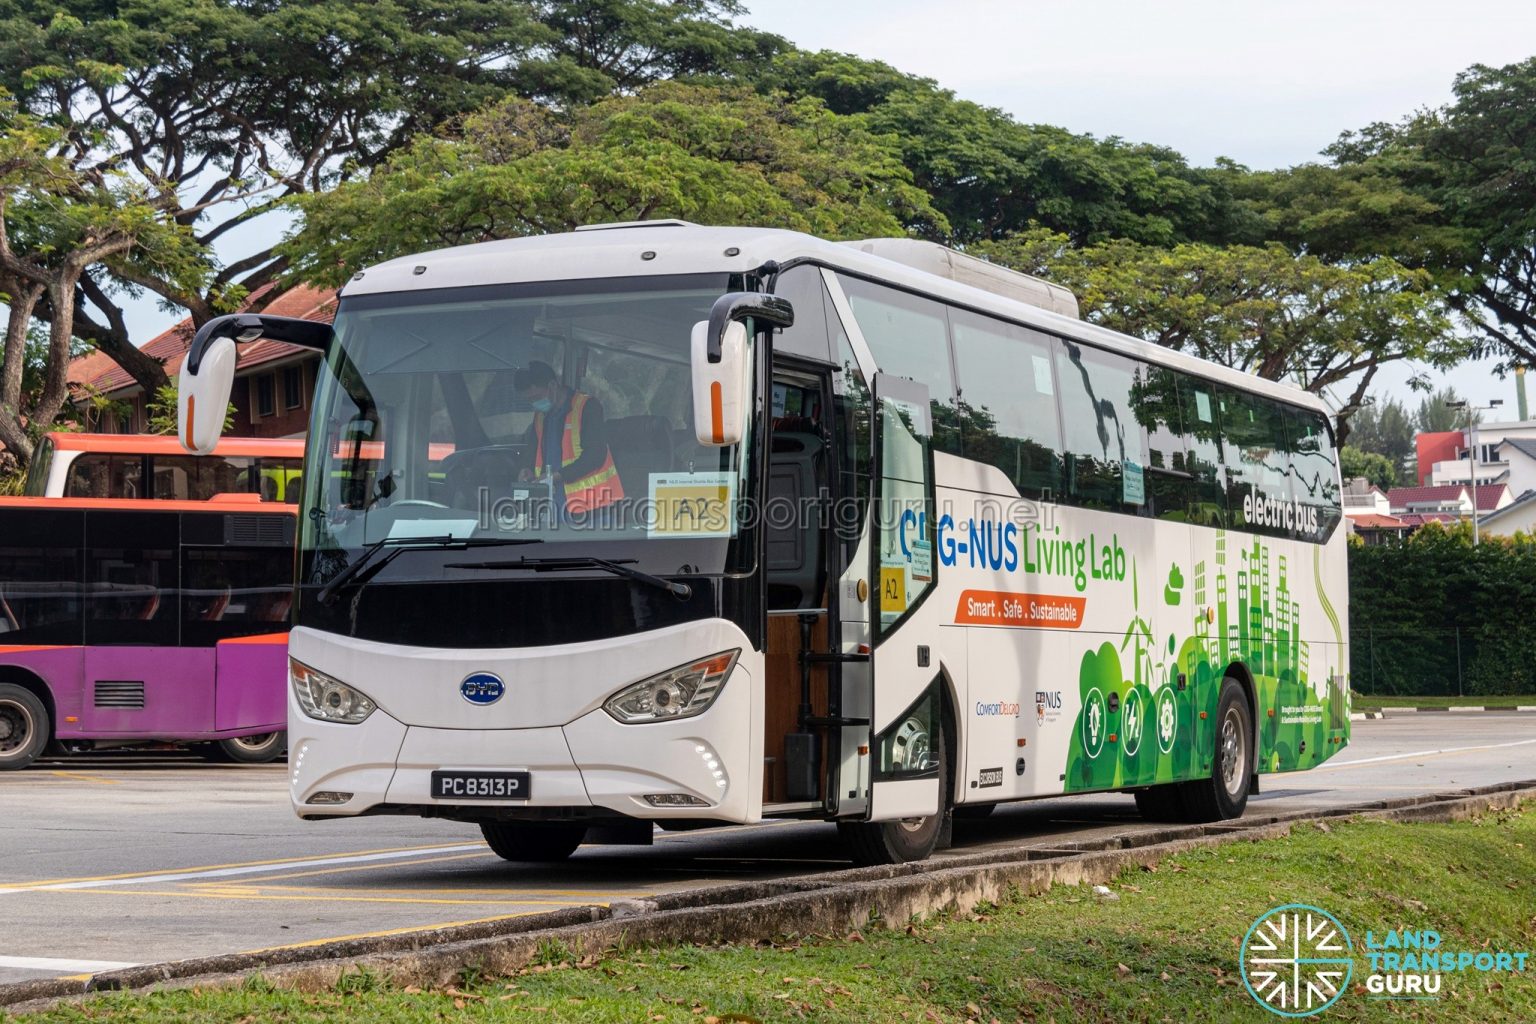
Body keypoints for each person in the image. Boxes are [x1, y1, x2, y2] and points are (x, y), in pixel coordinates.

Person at [514, 361, 624, 514]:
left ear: (552, 385)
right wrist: (525, 468)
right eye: (529, 400)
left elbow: (595, 454)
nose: (534, 403)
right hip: (551, 504)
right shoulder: (541, 415)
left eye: (536, 397)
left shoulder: (587, 406)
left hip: (592, 505)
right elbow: (533, 449)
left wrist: (557, 476)